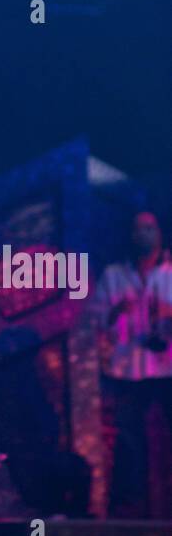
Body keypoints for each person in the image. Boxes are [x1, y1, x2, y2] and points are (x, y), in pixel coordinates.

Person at [95, 210, 172, 517]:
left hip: (167, 367)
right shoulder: (114, 275)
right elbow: (95, 320)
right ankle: (133, 506)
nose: (144, 234)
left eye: (149, 228)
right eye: (138, 229)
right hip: (127, 369)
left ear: (160, 233)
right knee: (129, 440)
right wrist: (116, 312)